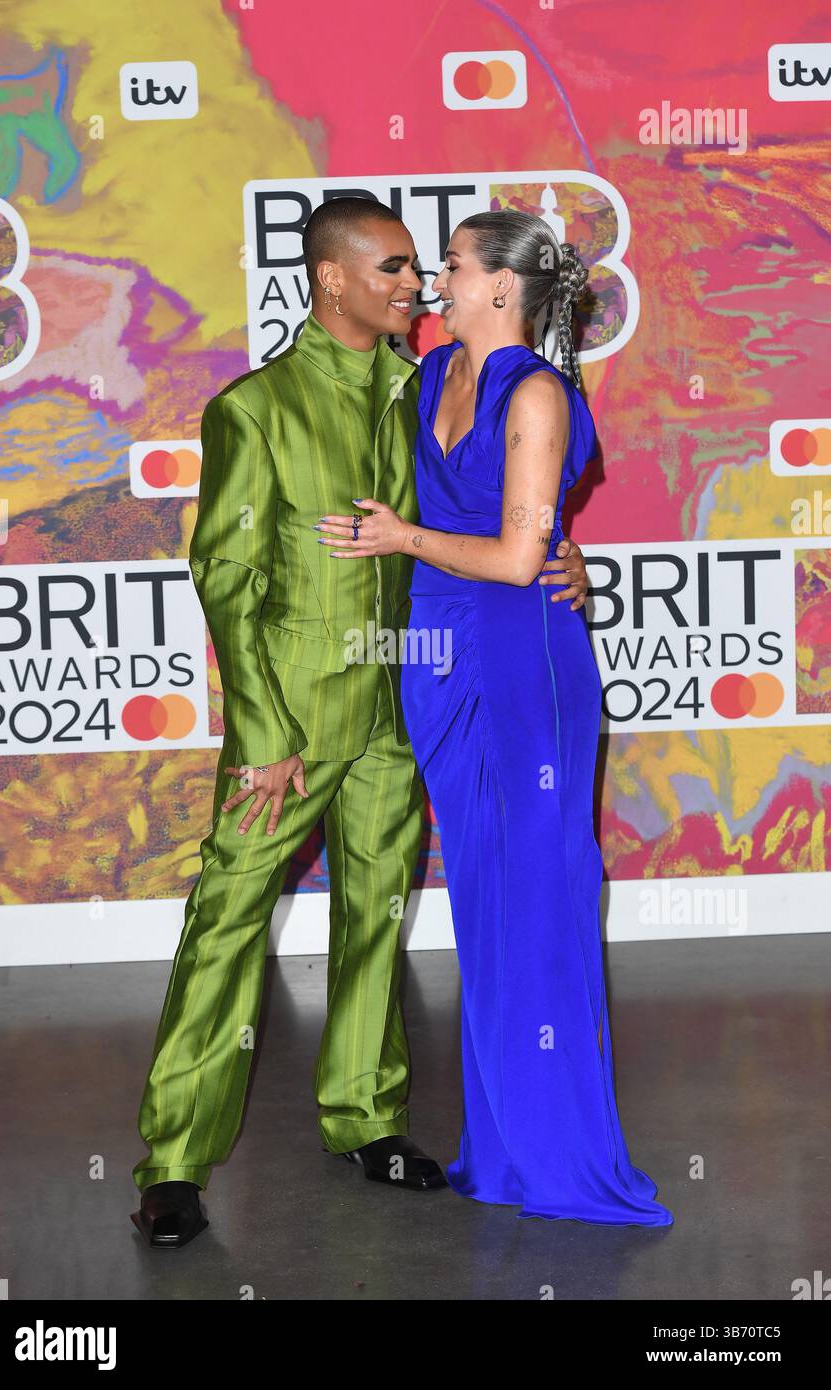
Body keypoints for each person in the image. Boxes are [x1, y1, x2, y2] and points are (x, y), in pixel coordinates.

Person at [130, 198, 592, 1247]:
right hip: (287, 724)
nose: (414, 287)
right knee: (226, 929)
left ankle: (366, 1119)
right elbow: (225, 580)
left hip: (402, 708)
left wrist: (561, 560)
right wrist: (260, 730)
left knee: (376, 918)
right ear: (329, 280)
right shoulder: (255, 410)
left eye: (424, 270)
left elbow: (501, 510)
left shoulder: (421, 383)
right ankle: (171, 1162)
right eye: (390, 269)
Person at [317, 209, 674, 1226]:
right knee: (482, 904)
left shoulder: (537, 394)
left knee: (539, 898)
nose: (435, 277)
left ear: (500, 288)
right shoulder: (427, 374)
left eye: (454, 264)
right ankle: (504, 1150)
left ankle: (561, 1158)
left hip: (524, 668)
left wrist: (400, 537)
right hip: (436, 663)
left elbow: (521, 559)